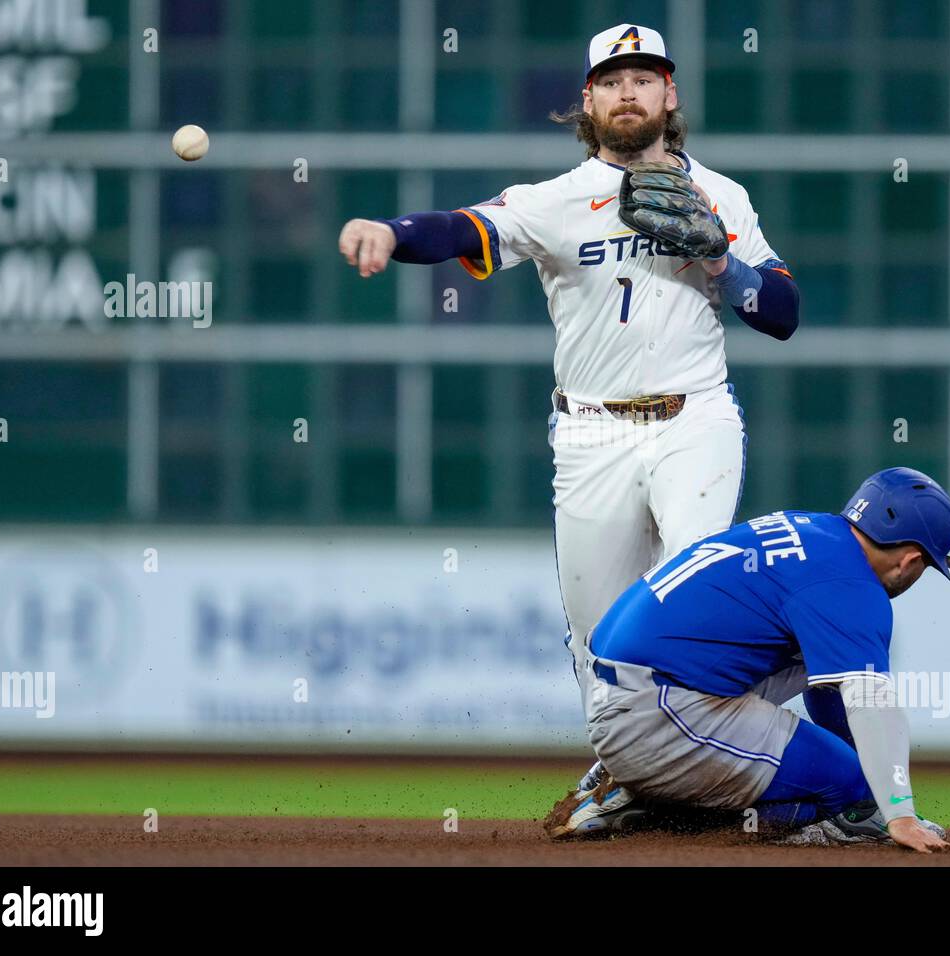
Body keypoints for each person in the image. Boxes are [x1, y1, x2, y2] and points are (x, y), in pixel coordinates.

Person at [337, 24, 799, 805]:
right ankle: (630, 776)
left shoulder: (723, 197)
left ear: (669, 95)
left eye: (644, 77)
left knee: (697, 591)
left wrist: (720, 258)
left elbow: (782, 312)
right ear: (588, 99)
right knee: (600, 643)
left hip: (696, 422)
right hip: (590, 431)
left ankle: (726, 763)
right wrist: (392, 231)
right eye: (613, 79)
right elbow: (461, 228)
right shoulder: (553, 201)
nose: (629, 91)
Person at [545, 467, 950, 852]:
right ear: (910, 561)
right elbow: (874, 706)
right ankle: (652, 805)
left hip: (634, 686)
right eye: (928, 565)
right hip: (658, 713)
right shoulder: (852, 591)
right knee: (848, 785)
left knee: (835, 722)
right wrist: (899, 812)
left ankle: (628, 777)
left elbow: (827, 687)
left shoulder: (815, 533)